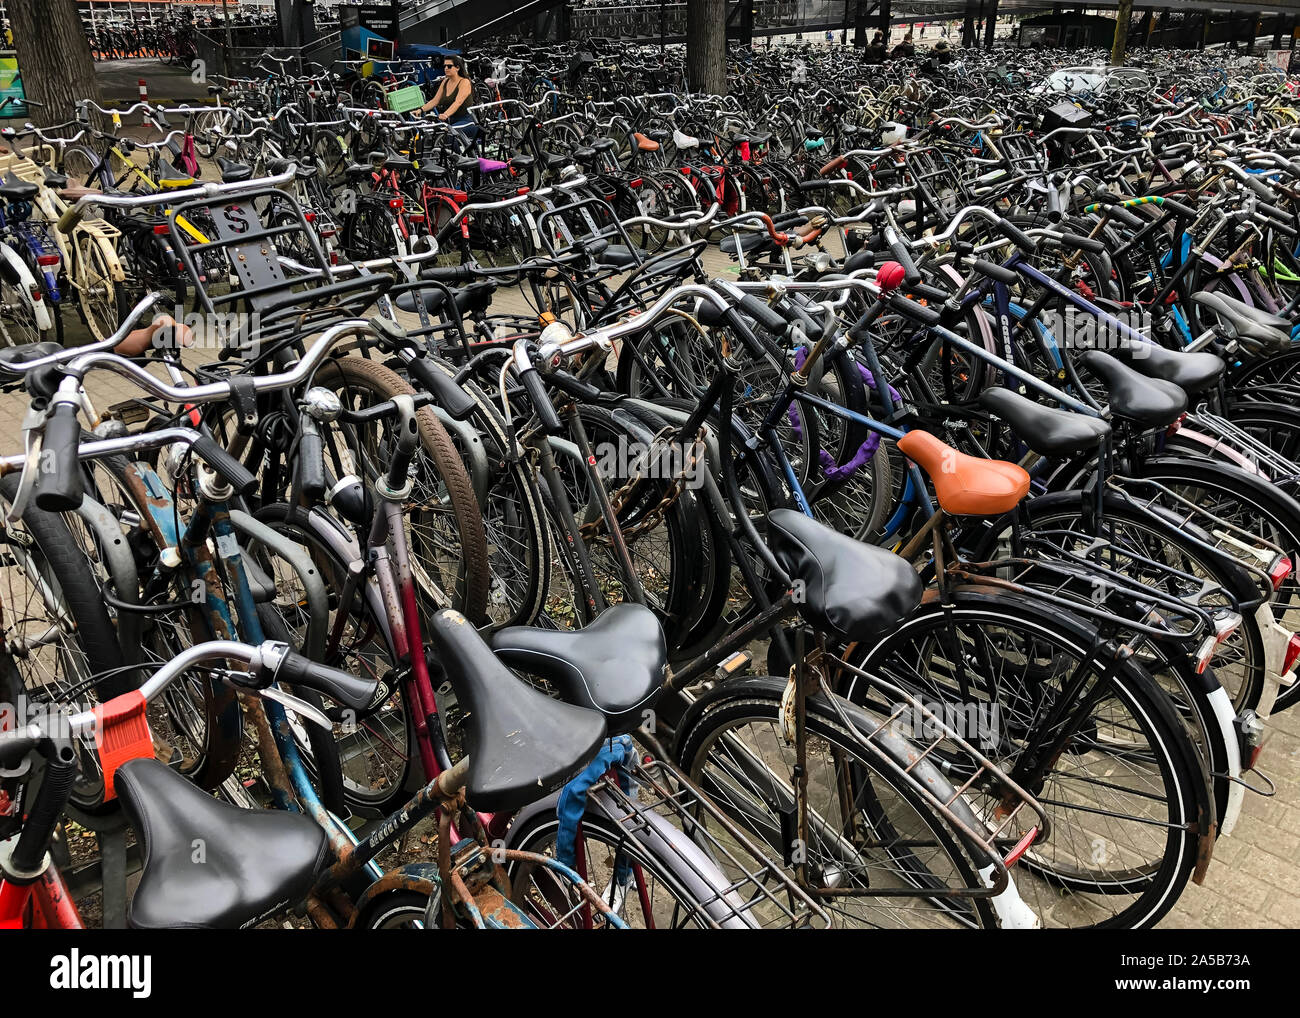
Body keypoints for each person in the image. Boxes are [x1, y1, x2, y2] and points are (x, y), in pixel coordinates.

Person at [420, 54, 477, 140]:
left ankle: (459, 154)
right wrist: (420, 110)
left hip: (467, 121)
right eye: (445, 66)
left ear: (457, 68)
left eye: (449, 66)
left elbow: (458, 102)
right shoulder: (446, 81)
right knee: (432, 134)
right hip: (451, 122)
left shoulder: (464, 82)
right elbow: (435, 100)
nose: (446, 68)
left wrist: (445, 114)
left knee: (448, 135)